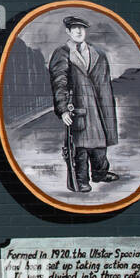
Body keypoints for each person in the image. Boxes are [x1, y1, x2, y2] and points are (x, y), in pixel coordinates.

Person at [48, 15, 120, 193]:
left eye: (82, 28)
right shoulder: (62, 53)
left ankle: (100, 173)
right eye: (75, 29)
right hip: (79, 107)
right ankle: (81, 180)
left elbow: (104, 82)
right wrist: (63, 109)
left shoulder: (98, 54)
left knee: (100, 144)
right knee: (80, 146)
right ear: (68, 31)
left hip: (100, 107)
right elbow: (59, 82)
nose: (79, 31)